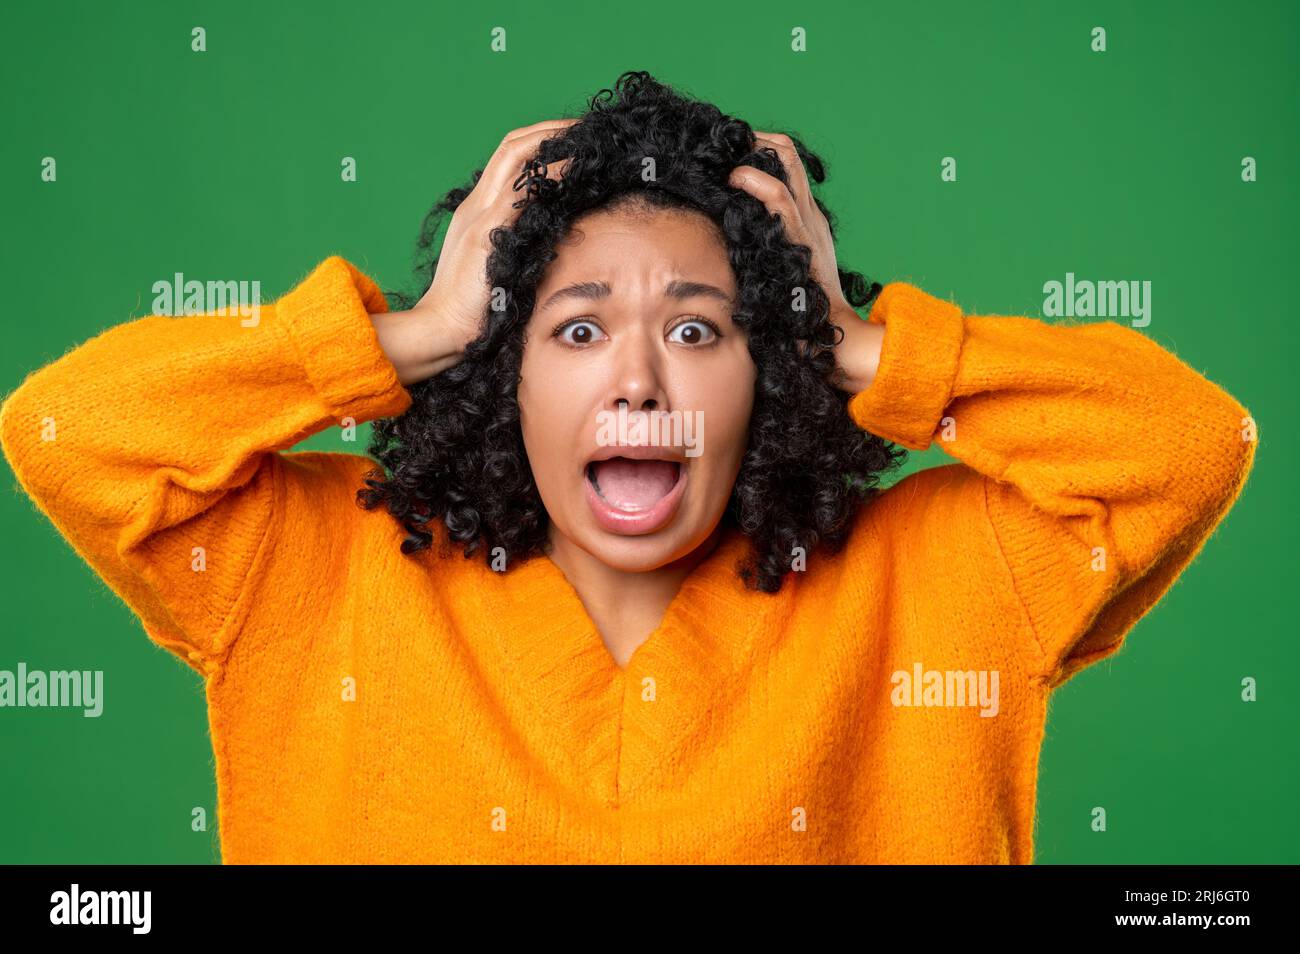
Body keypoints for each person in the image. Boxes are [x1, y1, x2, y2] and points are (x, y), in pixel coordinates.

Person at [0, 72, 1256, 863]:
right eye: (579, 328)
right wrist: (418, 332)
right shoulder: (311, 573)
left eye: (701, 329)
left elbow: (1186, 444)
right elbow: (68, 428)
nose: (640, 380)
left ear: (773, 366)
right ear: (511, 372)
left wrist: (866, 344)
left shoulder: (943, 585)